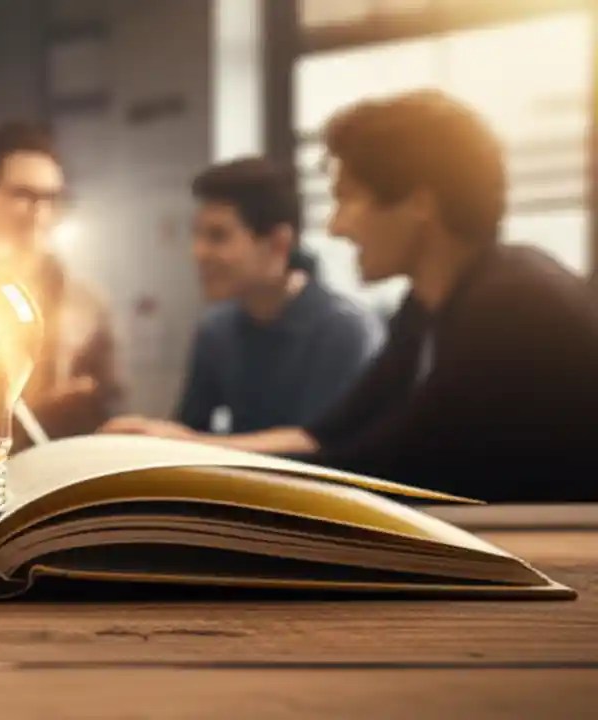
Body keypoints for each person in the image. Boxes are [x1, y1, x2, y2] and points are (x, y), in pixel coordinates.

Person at [106, 90, 598, 501]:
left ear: (420, 203)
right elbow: (326, 434)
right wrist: (181, 442)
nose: (337, 226)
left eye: (347, 198)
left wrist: (188, 452)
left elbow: (378, 463)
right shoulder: (428, 305)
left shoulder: (513, 305)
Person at [107, 157, 380, 436]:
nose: (198, 253)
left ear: (278, 243)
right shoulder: (216, 329)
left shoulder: (343, 329)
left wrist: (184, 440)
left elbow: (321, 450)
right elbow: (189, 429)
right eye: (197, 235)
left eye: (218, 236)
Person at [0, 122, 119, 439]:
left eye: (51, 198)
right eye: (23, 195)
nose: (39, 213)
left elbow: (111, 407)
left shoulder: (86, 303)